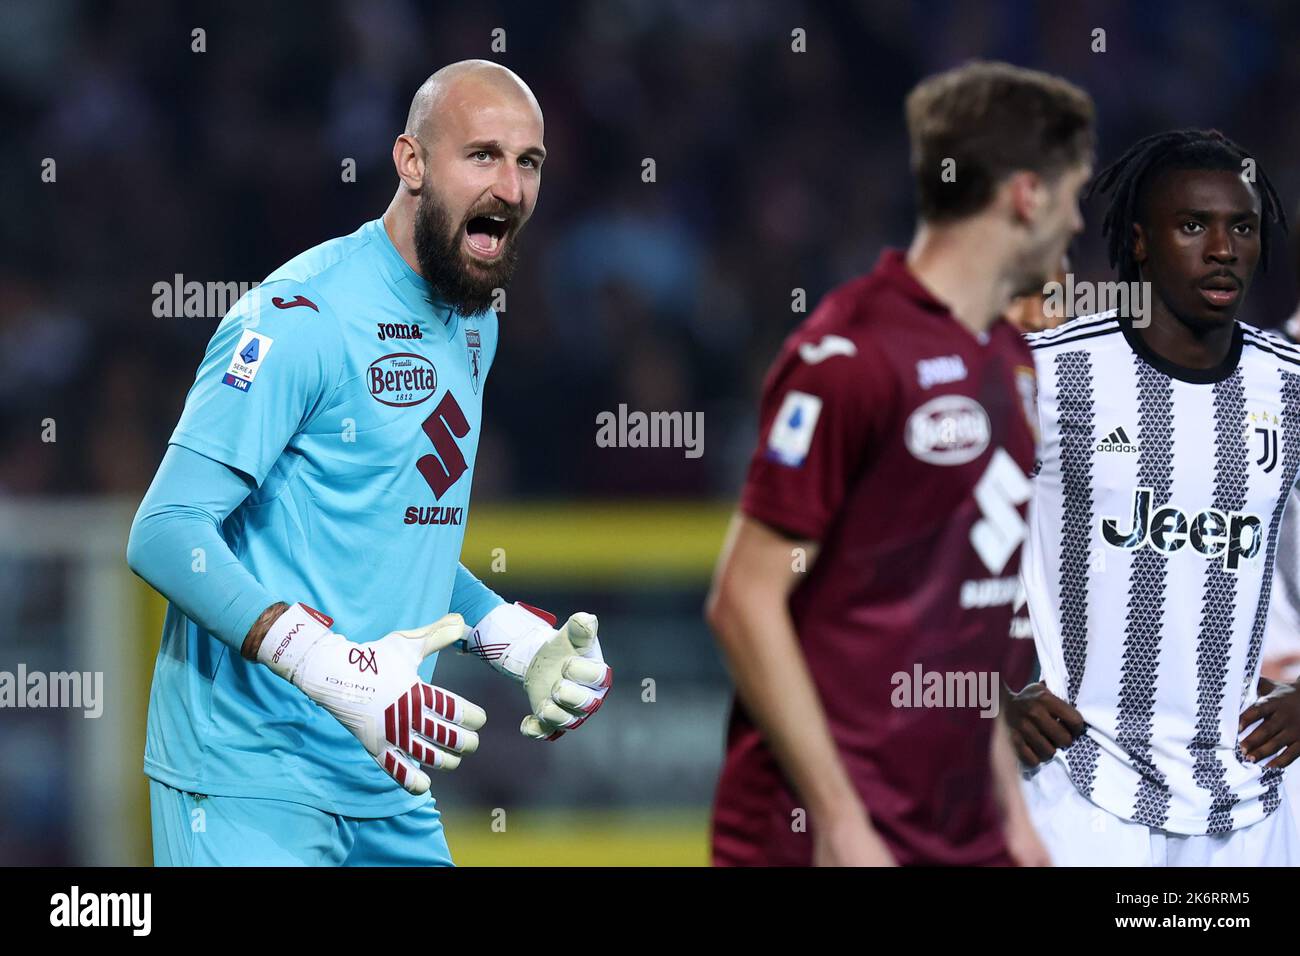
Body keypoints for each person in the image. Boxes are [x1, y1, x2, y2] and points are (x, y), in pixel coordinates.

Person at [126, 60, 612, 866]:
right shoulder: (300, 318)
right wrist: (327, 667)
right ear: (411, 162)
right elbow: (166, 532)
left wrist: (509, 639)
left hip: (389, 782)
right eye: (483, 155)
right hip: (251, 780)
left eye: (529, 163)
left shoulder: (474, 323)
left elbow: (391, 532)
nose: (512, 188)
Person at [706, 60, 1094, 866]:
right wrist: (842, 823)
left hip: (957, 829)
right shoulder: (848, 354)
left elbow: (958, 624)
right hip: (814, 833)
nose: (1079, 223)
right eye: (1072, 193)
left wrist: (1010, 817)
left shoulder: (1010, 363)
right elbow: (744, 601)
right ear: (1026, 196)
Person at [1009, 129, 1300, 865]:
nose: (1224, 249)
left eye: (1242, 227)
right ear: (1139, 243)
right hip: (1078, 790)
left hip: (1250, 795)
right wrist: (983, 693)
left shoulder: (1290, 386)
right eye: (1193, 226)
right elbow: (905, 543)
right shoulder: (1048, 376)